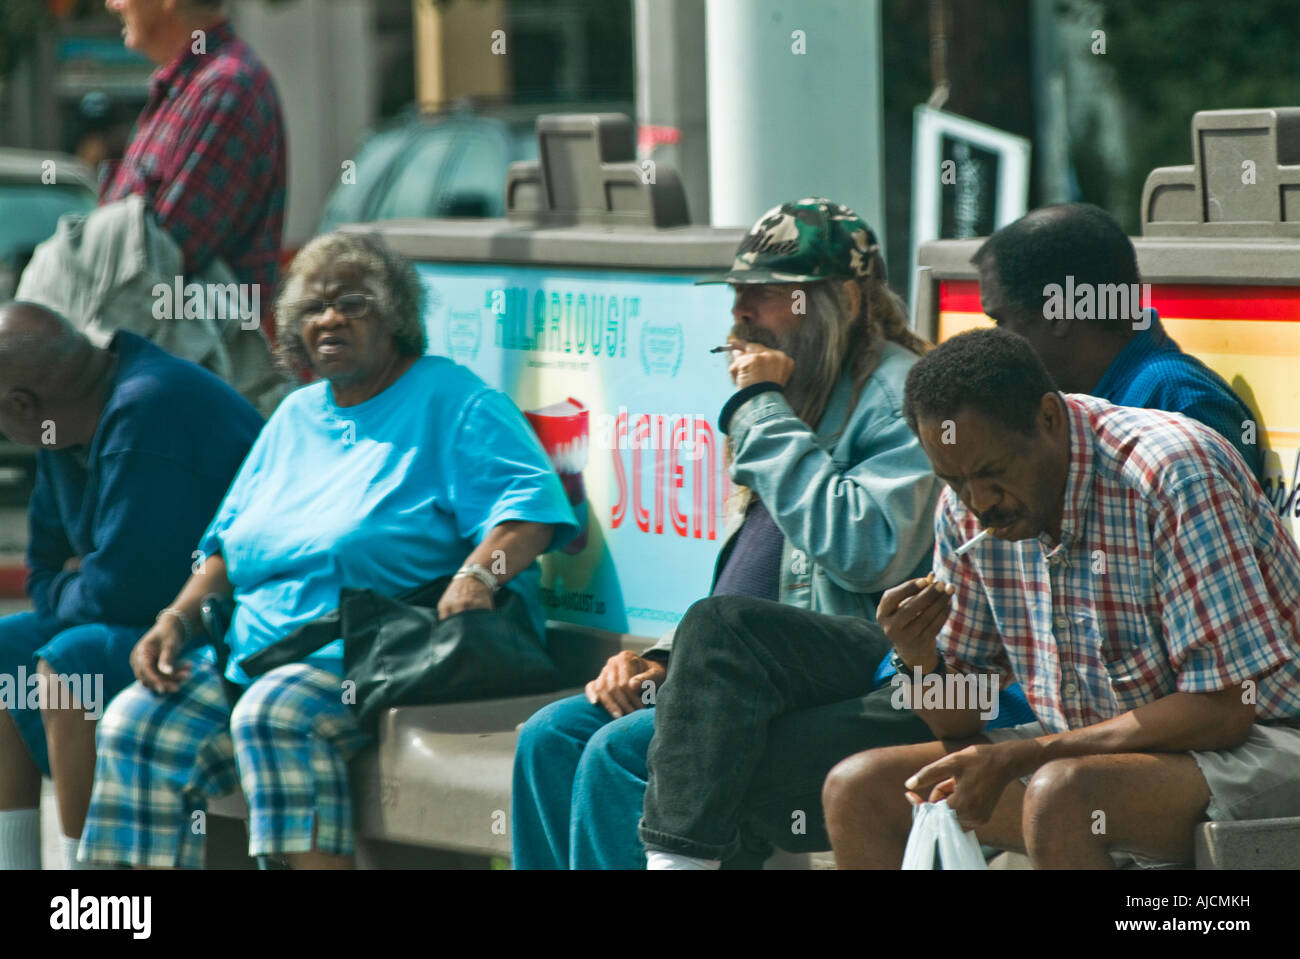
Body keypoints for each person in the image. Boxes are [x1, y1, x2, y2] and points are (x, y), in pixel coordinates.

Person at [76, 232, 579, 869]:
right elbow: (227, 549)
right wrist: (174, 620)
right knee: (135, 720)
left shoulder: (455, 402)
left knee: (274, 714)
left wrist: (481, 574)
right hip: (254, 653)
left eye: (353, 302)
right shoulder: (294, 416)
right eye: (312, 309)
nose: (330, 318)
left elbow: (529, 513)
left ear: (396, 316)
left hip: (383, 655)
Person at [512, 198, 943, 869]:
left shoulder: (897, 397)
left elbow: (868, 550)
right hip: (731, 671)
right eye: (737, 293)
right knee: (551, 736)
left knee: (620, 753)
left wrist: (760, 412)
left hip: (843, 682)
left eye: (767, 295)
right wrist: (663, 658)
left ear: (845, 300)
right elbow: (750, 579)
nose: (742, 313)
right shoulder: (802, 388)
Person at [823, 328, 1300, 869]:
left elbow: (1225, 711)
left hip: (1268, 744)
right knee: (858, 788)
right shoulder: (965, 510)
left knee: (1061, 795)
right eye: (954, 482)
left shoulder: (1172, 474)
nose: (979, 503)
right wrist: (918, 658)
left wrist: (1029, 754)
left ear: (1049, 418)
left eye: (992, 475)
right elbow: (960, 721)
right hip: (1089, 756)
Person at [0, 302, 261, 870]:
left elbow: (120, 590)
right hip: (150, 618)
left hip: (227, 626)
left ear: (22, 404)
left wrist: (83, 581)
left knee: (72, 665)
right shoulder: (63, 422)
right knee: (5, 653)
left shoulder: (147, 410)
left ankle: (85, 890)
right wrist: (82, 584)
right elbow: (46, 568)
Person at [973, 202, 1264, 482]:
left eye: (999, 321)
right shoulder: (1081, 401)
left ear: (1058, 314)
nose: (994, 342)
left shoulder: (1175, 399)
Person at [101, 0, 286, 323]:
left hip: (194, 364)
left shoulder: (224, 88)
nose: (113, 4)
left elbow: (157, 260)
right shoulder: (192, 87)